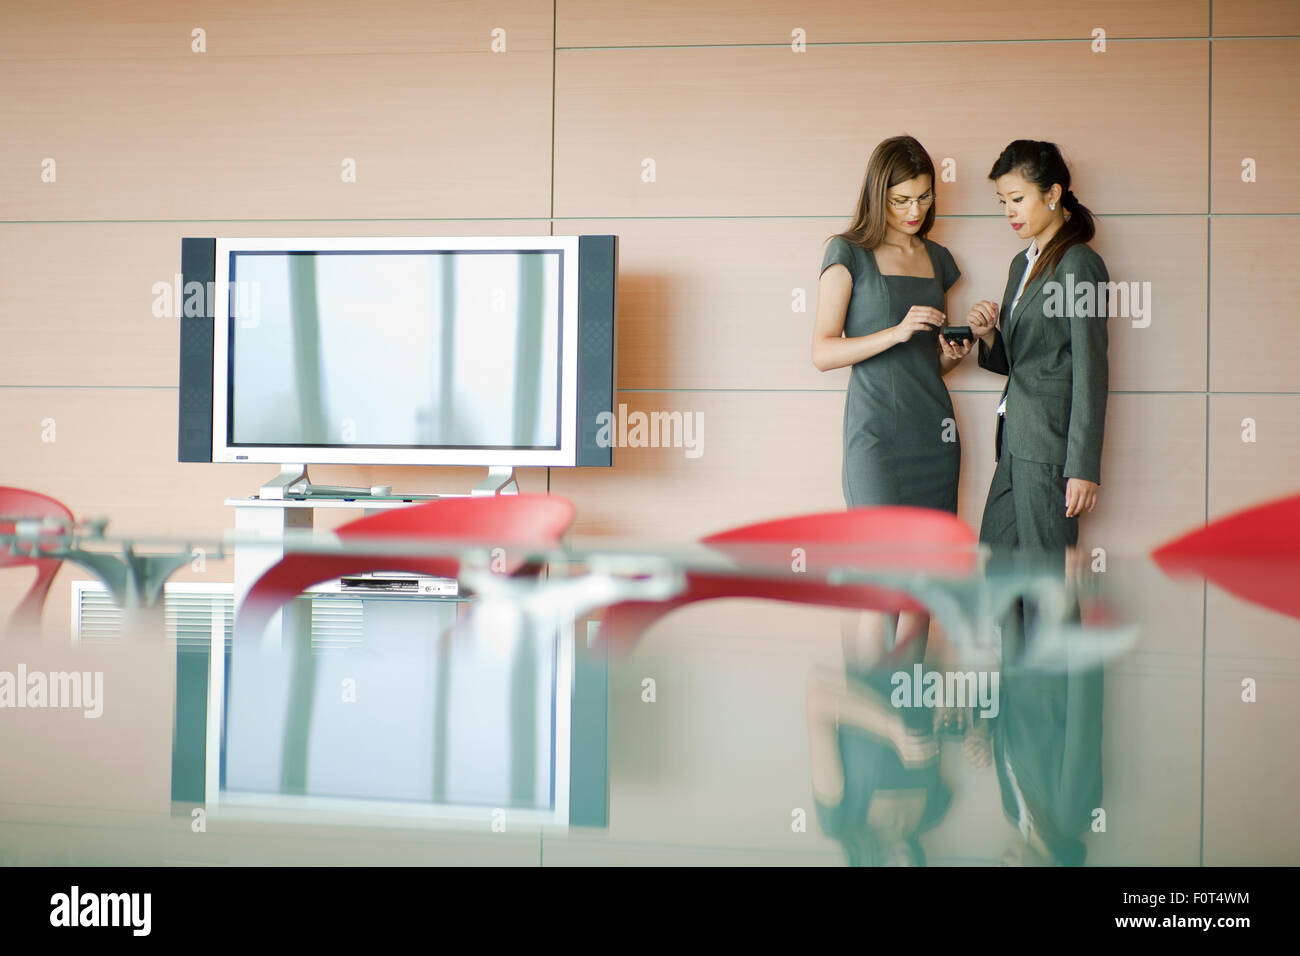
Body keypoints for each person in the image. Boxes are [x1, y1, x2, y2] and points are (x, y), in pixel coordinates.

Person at [813, 135, 973, 662]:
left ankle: (911, 718)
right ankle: (873, 723)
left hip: (935, 437)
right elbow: (822, 351)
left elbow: (933, 363)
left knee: (923, 587)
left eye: (925, 198)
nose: (914, 211)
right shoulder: (847, 253)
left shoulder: (938, 259)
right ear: (878, 194)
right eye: (901, 199)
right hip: (876, 437)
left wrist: (958, 344)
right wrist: (896, 332)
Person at [966, 140, 1109, 556]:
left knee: (1046, 587)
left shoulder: (1079, 263)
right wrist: (990, 334)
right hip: (1013, 440)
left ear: (1052, 194)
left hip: (1050, 448)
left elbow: (1091, 368)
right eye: (1002, 201)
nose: (1009, 211)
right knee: (998, 570)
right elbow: (1019, 362)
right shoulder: (1020, 264)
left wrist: (1083, 468)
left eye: (1017, 198)